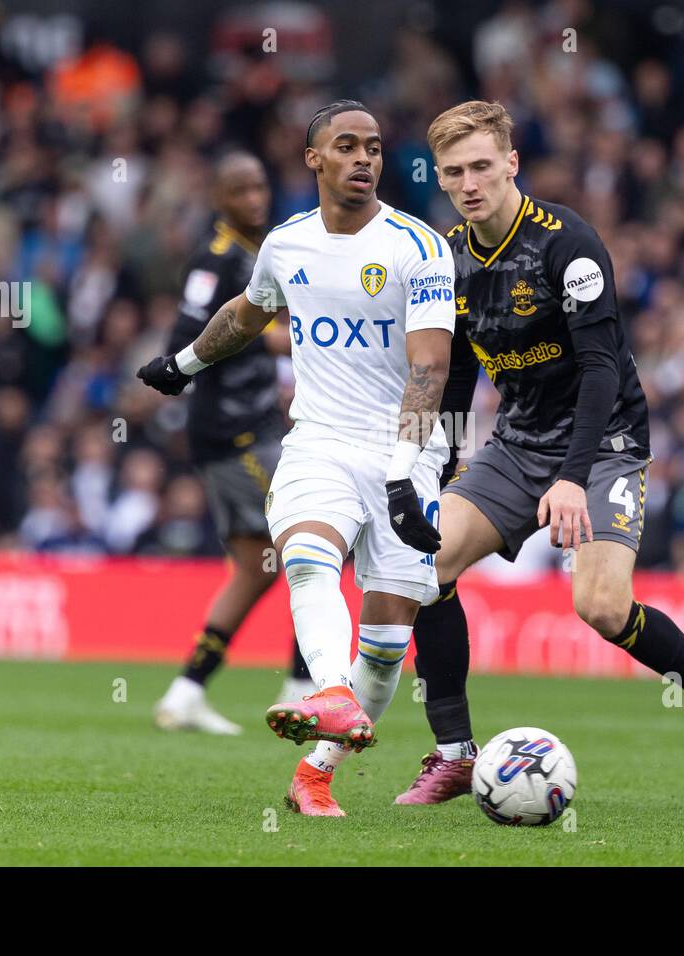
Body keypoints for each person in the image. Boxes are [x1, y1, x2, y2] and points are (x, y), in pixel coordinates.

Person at [396, 100, 684, 805]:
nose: (470, 183)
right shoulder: (447, 260)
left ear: (511, 163)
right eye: (454, 173)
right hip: (519, 439)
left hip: (605, 442)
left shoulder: (569, 243)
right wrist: (432, 472)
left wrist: (571, 481)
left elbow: (601, 369)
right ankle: (453, 752)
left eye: (482, 166)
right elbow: (458, 379)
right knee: (423, 563)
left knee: (599, 605)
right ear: (441, 180)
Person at [138, 101, 456, 816]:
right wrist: (183, 364)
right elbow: (247, 315)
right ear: (313, 159)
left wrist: (407, 470)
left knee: (384, 652)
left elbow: (429, 370)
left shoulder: (420, 247)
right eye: (346, 147)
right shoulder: (286, 244)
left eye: (373, 147)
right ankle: (326, 691)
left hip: (404, 454)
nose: (364, 159)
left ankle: (316, 771)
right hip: (317, 442)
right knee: (305, 559)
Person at [152, 151, 315, 735]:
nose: (254, 198)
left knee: (257, 566)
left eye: (260, 186)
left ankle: (186, 691)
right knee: (314, 535)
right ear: (219, 199)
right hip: (235, 431)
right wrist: (267, 340)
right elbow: (184, 336)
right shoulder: (215, 260)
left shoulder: (257, 255)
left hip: (252, 428)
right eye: (240, 190)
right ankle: (304, 685)